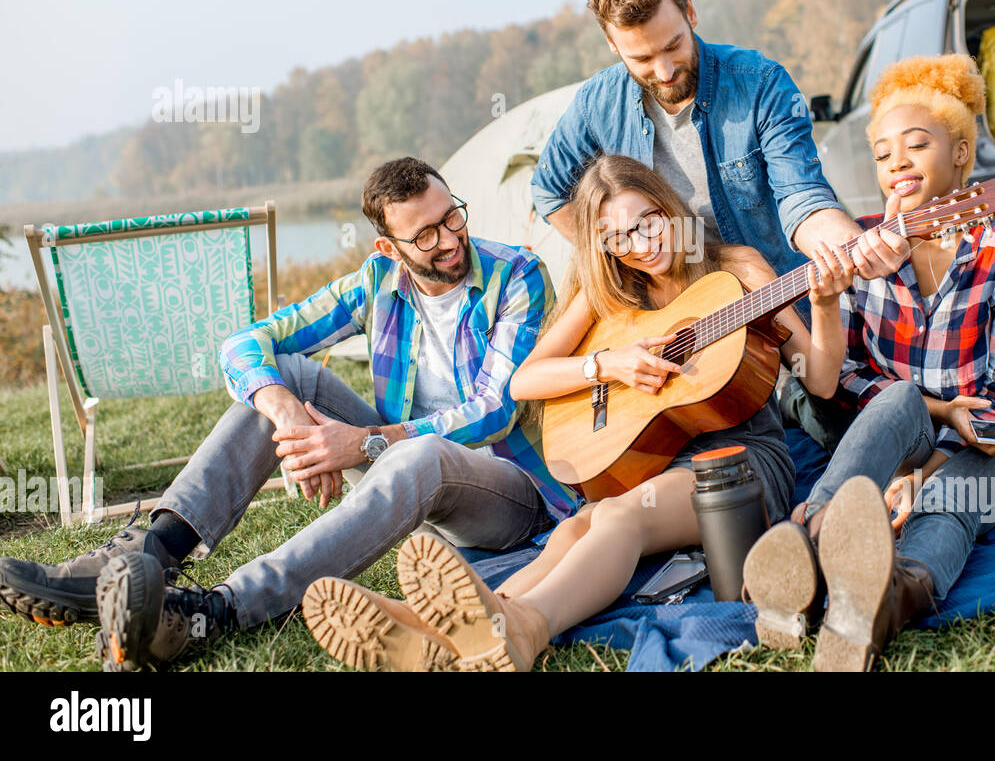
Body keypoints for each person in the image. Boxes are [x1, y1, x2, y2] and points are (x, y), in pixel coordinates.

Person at [0, 157, 576, 670]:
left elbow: (497, 409)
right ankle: (145, 558)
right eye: (424, 234)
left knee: (420, 452)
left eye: (453, 217)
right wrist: (285, 410)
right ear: (389, 248)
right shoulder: (376, 283)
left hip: (508, 498)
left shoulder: (516, 275)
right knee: (288, 377)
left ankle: (216, 609)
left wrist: (369, 442)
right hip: (405, 482)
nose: (450, 239)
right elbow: (244, 344)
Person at [305, 154, 861, 671]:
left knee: (618, 517)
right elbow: (525, 380)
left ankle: (524, 629)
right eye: (618, 238)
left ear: (668, 207)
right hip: (654, 464)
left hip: (739, 466)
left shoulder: (738, 270)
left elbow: (819, 378)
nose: (640, 244)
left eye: (648, 221)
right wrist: (607, 365)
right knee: (575, 529)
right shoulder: (613, 295)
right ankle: (435, 633)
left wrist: (826, 302)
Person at [742, 54, 995, 671]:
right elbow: (844, 379)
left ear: (961, 153)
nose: (897, 164)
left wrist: (924, 474)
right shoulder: (862, 248)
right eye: (884, 154)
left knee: (950, 502)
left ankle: (881, 606)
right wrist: (827, 303)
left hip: (990, 442)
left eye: (917, 145)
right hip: (895, 427)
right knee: (900, 397)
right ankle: (812, 546)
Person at [530, 0, 910, 290]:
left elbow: (801, 197)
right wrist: (620, 263)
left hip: (775, 303)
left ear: (690, 12)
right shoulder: (597, 103)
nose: (663, 72)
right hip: (675, 315)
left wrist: (853, 245)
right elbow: (549, 192)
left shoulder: (761, 83)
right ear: (613, 46)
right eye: (642, 60)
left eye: (673, 45)